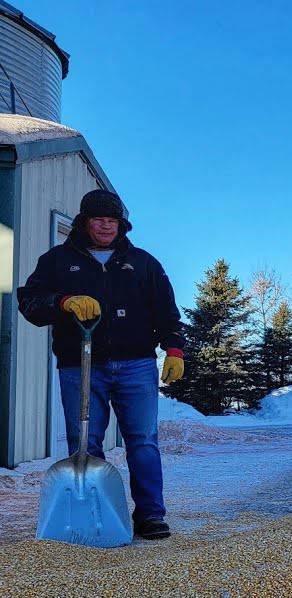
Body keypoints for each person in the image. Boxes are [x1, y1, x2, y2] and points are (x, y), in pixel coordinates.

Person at [16, 189, 185, 540]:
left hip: (137, 365)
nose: (106, 226)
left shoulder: (143, 263)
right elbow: (30, 302)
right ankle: (91, 515)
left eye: (113, 221)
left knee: (142, 440)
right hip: (80, 364)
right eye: (99, 219)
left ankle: (151, 515)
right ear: (85, 221)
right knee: (84, 443)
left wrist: (174, 349)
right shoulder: (58, 260)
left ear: (121, 224)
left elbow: (166, 311)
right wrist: (63, 301)